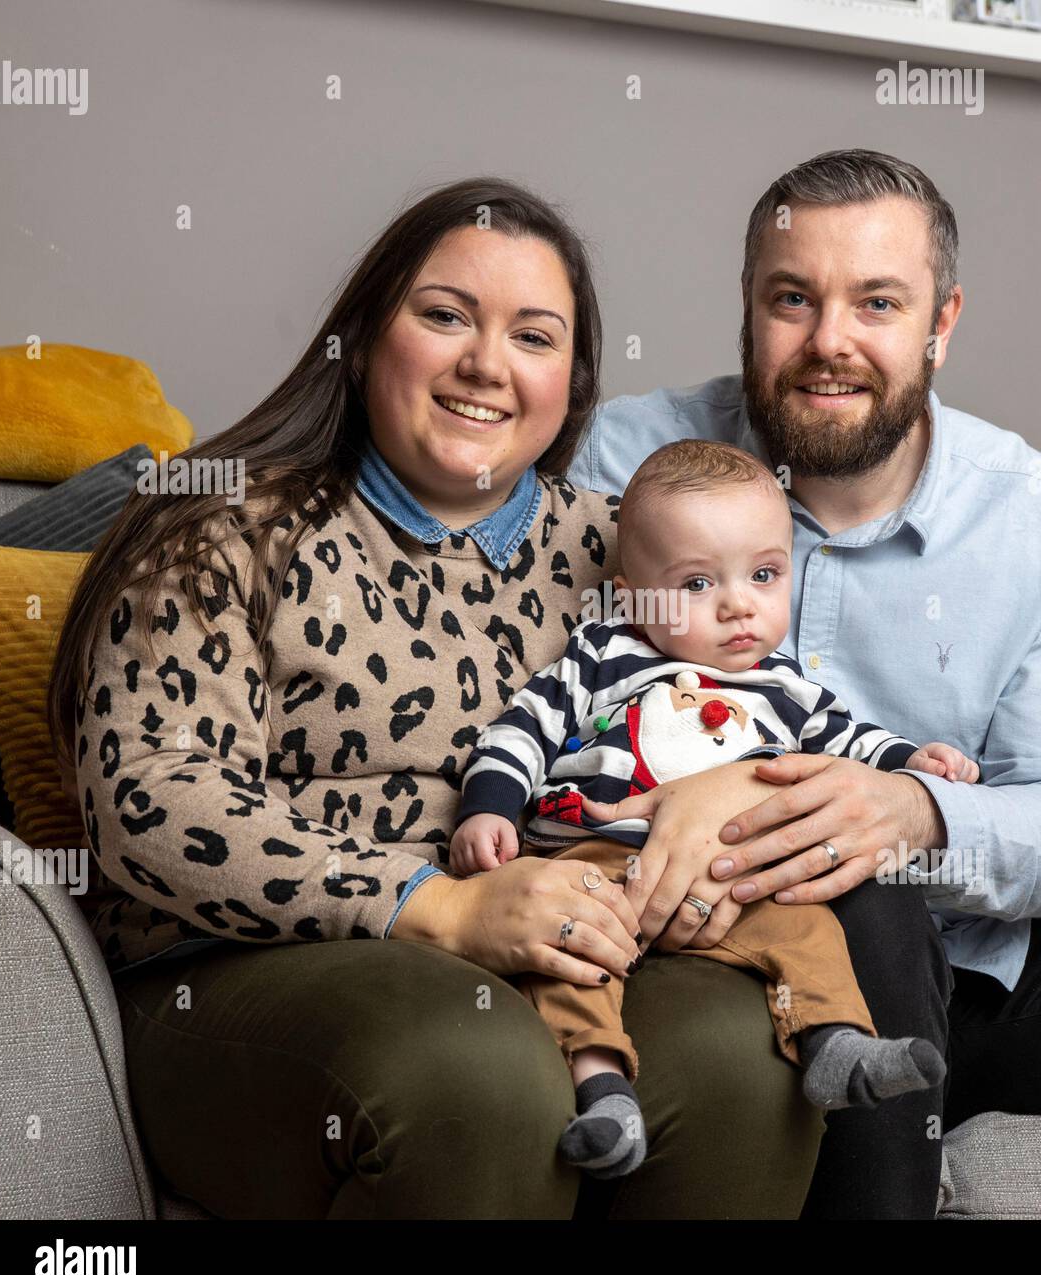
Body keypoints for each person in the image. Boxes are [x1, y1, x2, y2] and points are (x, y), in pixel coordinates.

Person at [45, 177, 828, 1219]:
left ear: (572, 381)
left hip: (571, 946)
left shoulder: (628, 544)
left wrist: (728, 789)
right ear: (365, 339)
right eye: (445, 314)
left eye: (534, 336)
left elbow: (767, 696)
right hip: (255, 965)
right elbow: (149, 795)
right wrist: (440, 905)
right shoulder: (223, 525)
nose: (486, 365)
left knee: (741, 1053)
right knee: (473, 1062)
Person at [567, 147, 1041, 1220]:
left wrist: (918, 810)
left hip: (981, 990)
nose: (829, 343)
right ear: (747, 310)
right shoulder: (612, 465)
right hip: (701, 958)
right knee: (866, 879)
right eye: (792, 300)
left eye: (877, 303)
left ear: (940, 324)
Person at [452, 439, 981, 1175]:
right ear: (635, 594)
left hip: (733, 874)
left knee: (810, 928)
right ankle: (602, 1091)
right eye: (698, 583)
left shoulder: (785, 683)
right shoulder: (603, 653)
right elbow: (522, 729)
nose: (740, 604)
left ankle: (832, 1043)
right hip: (598, 858)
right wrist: (491, 809)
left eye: (765, 574)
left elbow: (849, 740)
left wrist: (912, 761)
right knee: (568, 955)